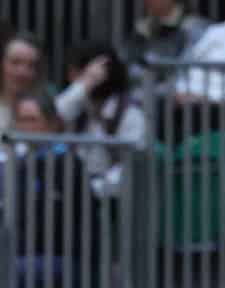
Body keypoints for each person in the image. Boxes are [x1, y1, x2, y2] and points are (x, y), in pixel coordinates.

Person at [54, 44, 146, 197]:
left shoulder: (130, 115)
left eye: (77, 73)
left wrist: (90, 191)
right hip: (75, 195)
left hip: (112, 201)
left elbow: (129, 169)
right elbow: (50, 118)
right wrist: (83, 86)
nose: (72, 79)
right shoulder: (76, 105)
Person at [121, 0, 210, 87]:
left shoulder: (194, 27)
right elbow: (128, 63)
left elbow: (186, 69)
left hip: (177, 92)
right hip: (144, 91)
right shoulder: (143, 28)